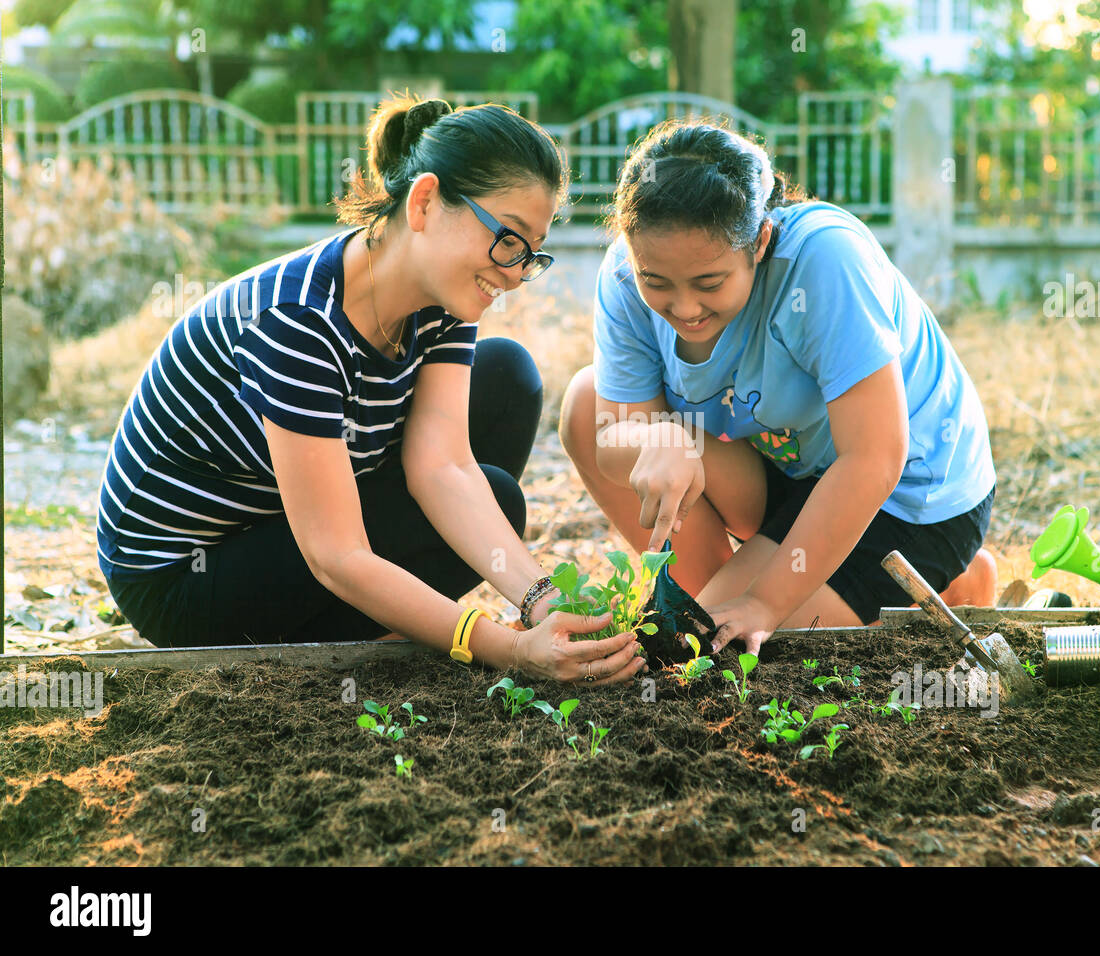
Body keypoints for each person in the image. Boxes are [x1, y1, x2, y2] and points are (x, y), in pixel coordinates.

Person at [96, 94, 644, 685]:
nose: (514, 272)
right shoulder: (297, 320)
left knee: (505, 378)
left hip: (288, 518)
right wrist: (503, 649)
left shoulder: (444, 298)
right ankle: (374, 628)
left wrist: (539, 600)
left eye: (529, 253)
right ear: (426, 202)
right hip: (187, 578)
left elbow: (444, 468)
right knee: (500, 499)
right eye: (507, 239)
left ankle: (384, 621)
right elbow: (337, 555)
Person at [560, 121, 998, 658]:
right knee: (587, 404)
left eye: (709, 283)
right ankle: (720, 593)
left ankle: (947, 582)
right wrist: (660, 440)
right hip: (791, 472)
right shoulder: (626, 278)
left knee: (732, 647)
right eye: (658, 282)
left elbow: (875, 457)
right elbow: (609, 442)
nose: (685, 308)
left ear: (760, 241)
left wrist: (764, 604)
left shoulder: (825, 260)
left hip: (906, 492)